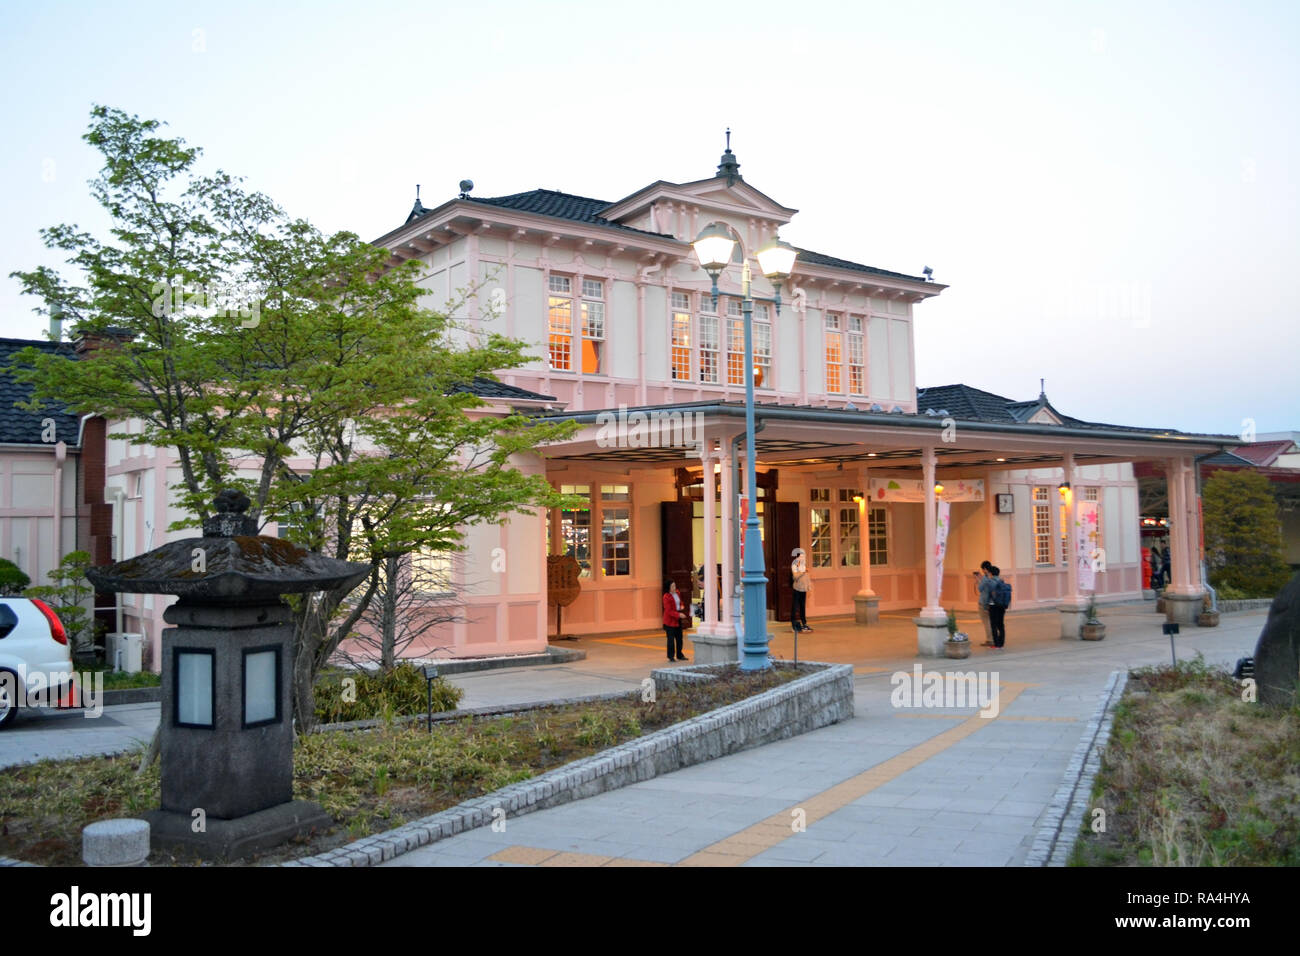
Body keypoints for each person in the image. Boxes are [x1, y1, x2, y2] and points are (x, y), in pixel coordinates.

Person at [662, 579, 688, 662]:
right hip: (669, 621)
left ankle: (679, 655)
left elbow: (680, 603)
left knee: (679, 638)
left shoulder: (677, 593)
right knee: (671, 640)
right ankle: (671, 656)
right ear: (668, 588)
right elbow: (668, 611)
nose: (674, 587)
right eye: (672, 586)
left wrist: (681, 607)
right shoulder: (666, 596)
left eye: (674, 585)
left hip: (677, 619)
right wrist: (678, 614)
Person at [791, 547, 813, 633]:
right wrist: (802, 572)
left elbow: (807, 578)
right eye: (801, 556)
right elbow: (795, 577)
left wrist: (809, 588)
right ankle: (793, 625)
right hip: (797, 589)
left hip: (804, 590)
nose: (803, 558)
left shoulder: (804, 566)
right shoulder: (794, 566)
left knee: (802, 607)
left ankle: (804, 624)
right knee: (795, 607)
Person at [986, 564, 1007, 649]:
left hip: (993, 605)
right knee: (1001, 624)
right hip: (1002, 605)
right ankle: (1001, 643)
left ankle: (996, 644)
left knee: (993, 625)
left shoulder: (990, 582)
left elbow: (988, 595)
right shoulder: (1002, 581)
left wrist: (985, 605)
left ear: (991, 573)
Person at [975, 561, 995, 646]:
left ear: (985, 569)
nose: (982, 571)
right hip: (992, 602)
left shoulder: (986, 578)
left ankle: (990, 639)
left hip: (984, 602)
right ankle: (993, 638)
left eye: (983, 569)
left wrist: (978, 579)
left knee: (986, 622)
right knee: (991, 621)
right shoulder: (993, 576)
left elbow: (980, 588)